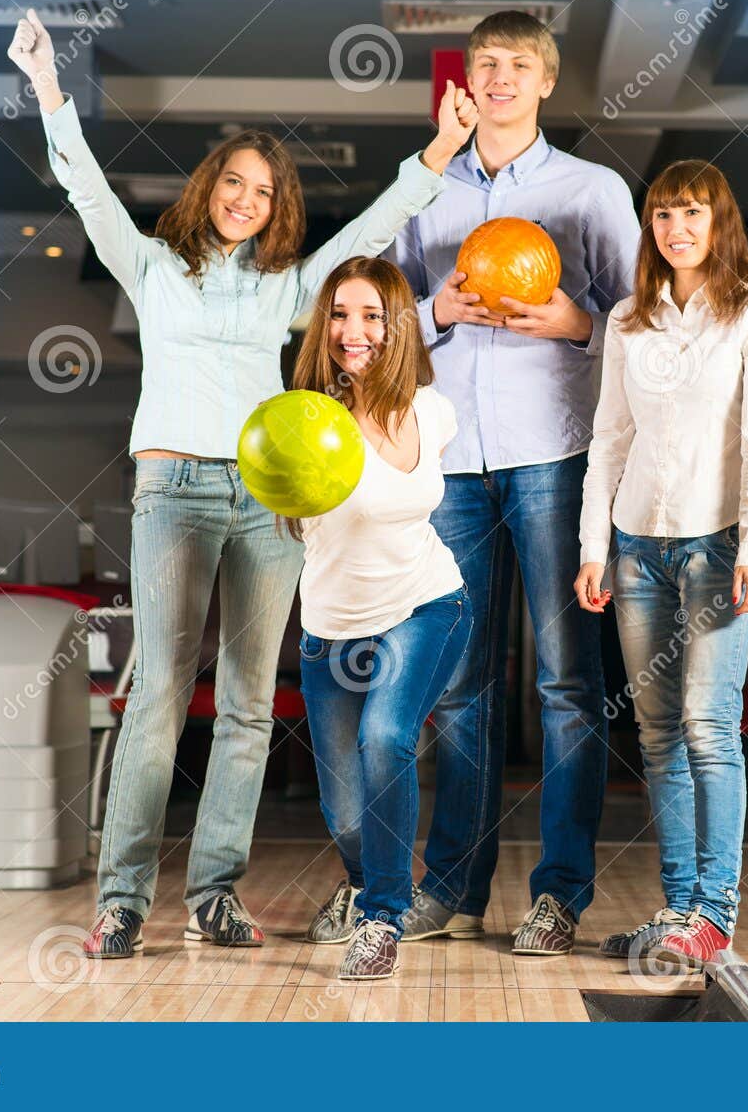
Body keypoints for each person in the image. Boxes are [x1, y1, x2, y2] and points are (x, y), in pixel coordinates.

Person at [5, 9, 477, 960]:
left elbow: (374, 236)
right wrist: (51, 89)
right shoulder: (152, 269)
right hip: (172, 490)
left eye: (264, 191)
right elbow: (88, 191)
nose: (246, 199)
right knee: (159, 698)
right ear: (209, 189)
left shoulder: (288, 291)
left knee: (251, 705)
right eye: (234, 183)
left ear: (277, 206)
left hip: (269, 503)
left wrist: (438, 151)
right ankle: (124, 900)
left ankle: (215, 891)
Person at [386, 10, 640, 956]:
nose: (499, 77)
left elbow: (640, 331)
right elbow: (381, 326)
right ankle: (451, 888)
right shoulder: (424, 193)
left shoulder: (593, 190)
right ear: (465, 83)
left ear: (545, 83)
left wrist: (578, 326)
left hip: (556, 459)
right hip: (448, 465)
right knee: (457, 685)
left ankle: (560, 892)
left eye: (518, 65)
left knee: (568, 681)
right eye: (485, 63)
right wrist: (437, 311)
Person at [575, 159, 748, 970]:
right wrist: (595, 548)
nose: (676, 229)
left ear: (719, 221)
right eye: (663, 215)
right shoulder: (630, 318)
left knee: (708, 725)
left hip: (718, 547)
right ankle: (677, 911)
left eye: (692, 213)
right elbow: (609, 441)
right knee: (658, 732)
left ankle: (717, 915)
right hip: (635, 548)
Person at [290, 257, 472, 980]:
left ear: (398, 323)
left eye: (371, 315)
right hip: (332, 628)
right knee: (346, 813)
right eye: (339, 314)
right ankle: (371, 881)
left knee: (387, 736)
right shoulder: (306, 418)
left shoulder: (433, 410)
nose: (352, 331)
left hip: (427, 602)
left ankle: (382, 920)